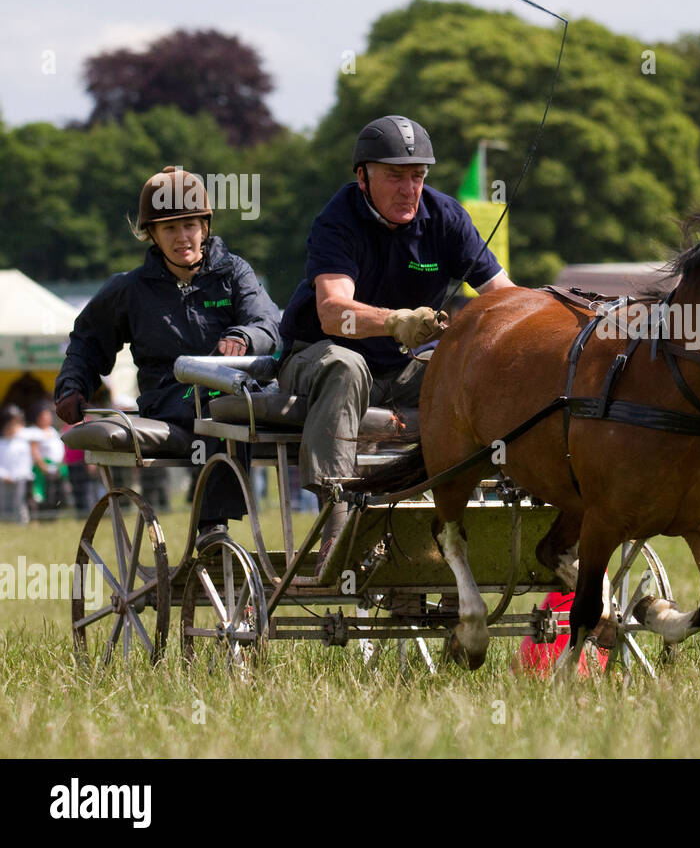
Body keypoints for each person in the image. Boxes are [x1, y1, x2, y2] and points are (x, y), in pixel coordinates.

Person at [276, 115, 515, 567]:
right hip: (313, 360)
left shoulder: (445, 217)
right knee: (346, 365)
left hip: (397, 369)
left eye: (418, 177)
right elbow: (331, 311)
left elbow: (504, 296)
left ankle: (472, 513)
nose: (409, 190)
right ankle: (337, 519)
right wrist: (395, 322)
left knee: (469, 372)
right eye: (396, 176)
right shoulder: (337, 220)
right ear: (363, 177)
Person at [54, 166, 281, 542]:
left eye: (189, 225)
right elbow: (88, 340)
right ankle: (213, 529)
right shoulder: (129, 289)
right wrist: (72, 385)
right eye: (170, 228)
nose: (182, 237)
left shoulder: (235, 273)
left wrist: (243, 336)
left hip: (241, 394)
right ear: (152, 235)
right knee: (216, 402)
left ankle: (336, 515)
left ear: (204, 227)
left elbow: (267, 323)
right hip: (171, 399)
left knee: (268, 402)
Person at [0, 405, 32, 523]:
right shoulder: (1, 443)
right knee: (3, 502)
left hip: (19, 478)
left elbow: (25, 462)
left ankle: (21, 523)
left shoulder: (22, 442)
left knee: (19, 502)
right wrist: (4, 475)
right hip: (4, 478)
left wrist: (17, 476)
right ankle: (5, 522)